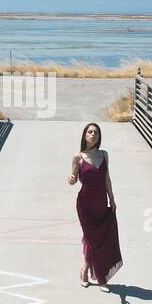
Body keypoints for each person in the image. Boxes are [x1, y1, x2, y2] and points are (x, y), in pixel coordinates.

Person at [66, 122, 123, 291]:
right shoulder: (78, 157)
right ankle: (100, 277)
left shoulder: (104, 155)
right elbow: (72, 179)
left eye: (96, 133)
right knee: (92, 240)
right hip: (84, 205)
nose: (93, 135)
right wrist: (70, 179)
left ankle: (88, 272)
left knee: (101, 240)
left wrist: (112, 199)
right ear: (85, 135)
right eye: (90, 132)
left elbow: (107, 179)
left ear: (99, 137)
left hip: (101, 203)